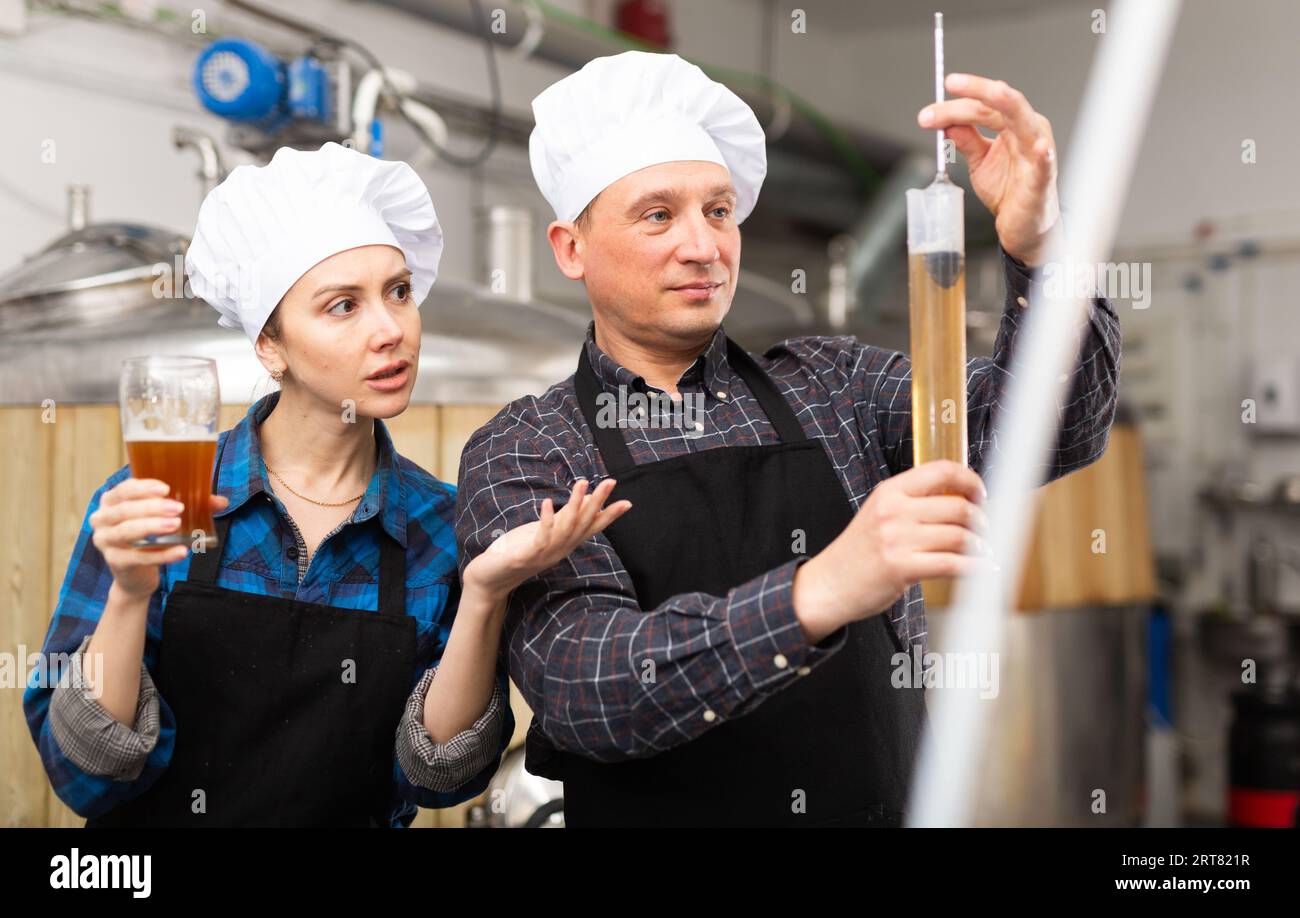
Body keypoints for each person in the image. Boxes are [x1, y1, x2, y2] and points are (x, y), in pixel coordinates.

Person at [454, 52, 1122, 826]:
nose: (703, 246)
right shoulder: (528, 448)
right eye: (658, 214)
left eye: (719, 211)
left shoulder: (834, 385)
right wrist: (822, 589)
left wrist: (1043, 251)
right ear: (571, 248)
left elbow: (1052, 430)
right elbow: (586, 688)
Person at [23, 142, 629, 827]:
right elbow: (84, 774)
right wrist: (130, 594)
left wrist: (484, 597)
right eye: (343, 306)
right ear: (270, 346)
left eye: (399, 292)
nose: (391, 330)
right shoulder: (156, 498)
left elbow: (441, 777)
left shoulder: (440, 525)